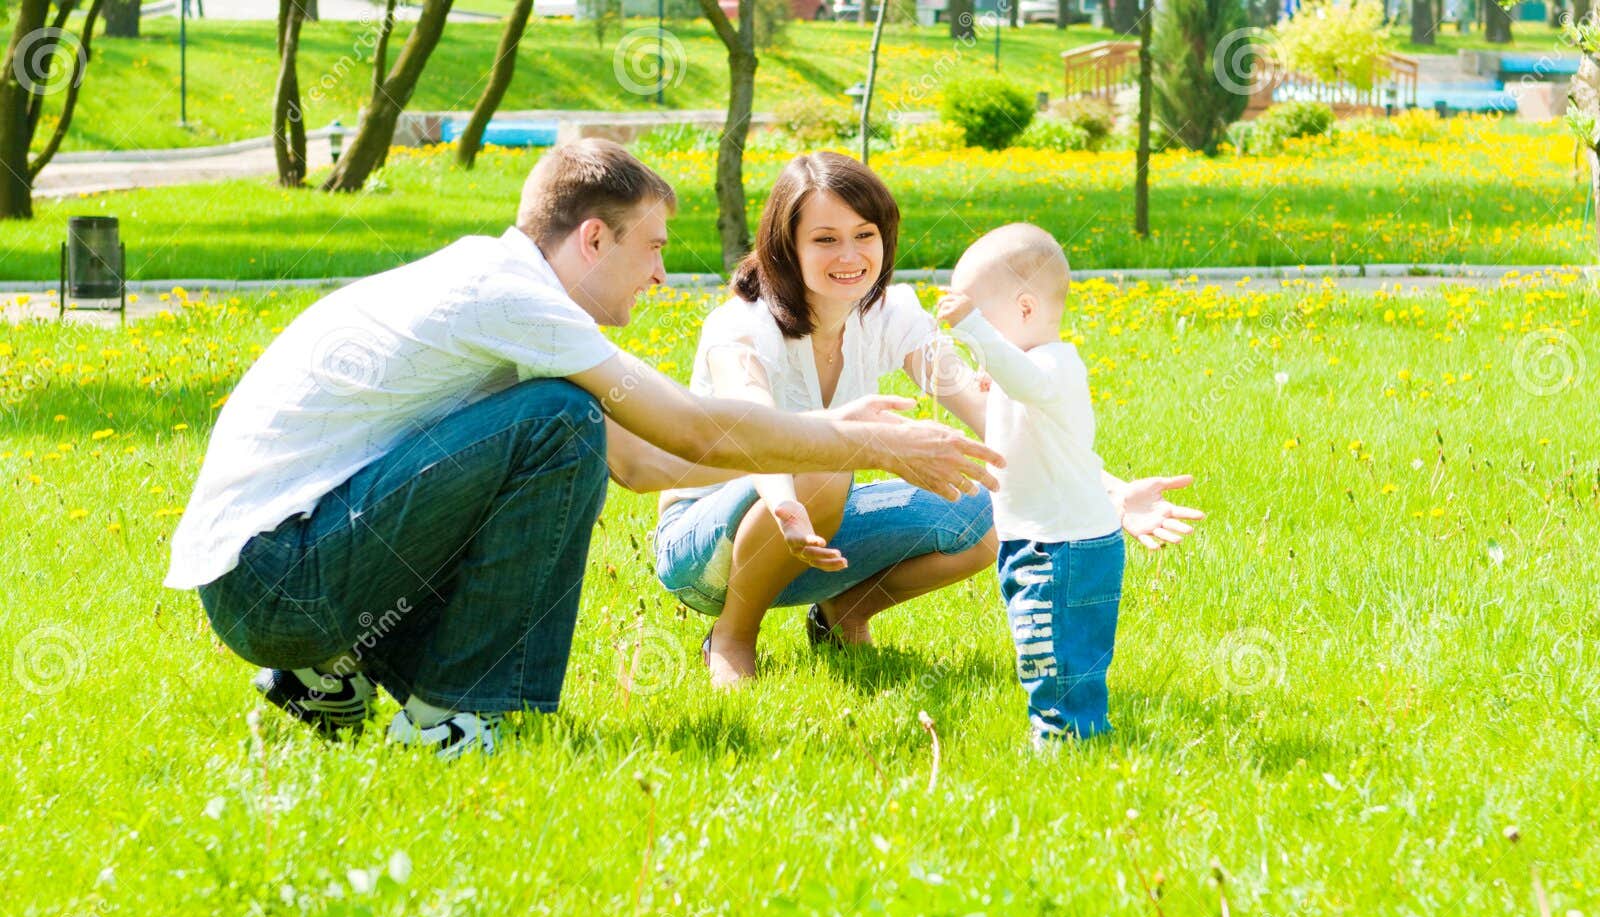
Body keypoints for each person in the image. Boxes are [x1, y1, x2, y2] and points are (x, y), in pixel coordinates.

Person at [163, 139, 1002, 758]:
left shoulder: (509, 292)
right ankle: (454, 718)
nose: (662, 276)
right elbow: (691, 426)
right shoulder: (510, 296)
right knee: (558, 421)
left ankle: (331, 669)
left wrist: (814, 453)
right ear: (594, 239)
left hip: (274, 574)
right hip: (277, 580)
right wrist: (854, 440)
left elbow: (641, 462)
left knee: (565, 427)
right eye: (655, 248)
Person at [654, 152, 1203, 688]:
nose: (850, 254)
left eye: (864, 234)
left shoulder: (891, 314)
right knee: (825, 458)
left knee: (997, 506)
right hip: (704, 546)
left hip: (816, 528)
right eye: (825, 239)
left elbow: (996, 421)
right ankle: (732, 637)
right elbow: (758, 434)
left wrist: (1107, 491)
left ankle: (841, 613)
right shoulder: (741, 329)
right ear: (786, 246)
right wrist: (784, 504)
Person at [935, 223, 1201, 743]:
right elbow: (1019, 402)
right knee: (1043, 648)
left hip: (1063, 548)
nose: (975, 341)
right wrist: (993, 367)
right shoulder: (1030, 372)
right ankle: (1071, 731)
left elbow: (1027, 380)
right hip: (1040, 540)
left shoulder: (1055, 366)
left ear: (1027, 309)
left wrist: (974, 332)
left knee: (1054, 652)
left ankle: (1066, 739)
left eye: (983, 318)